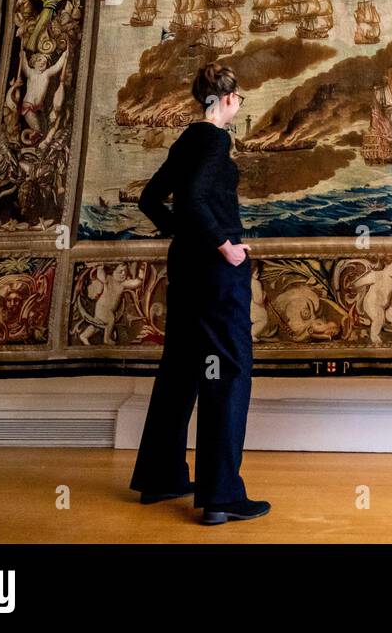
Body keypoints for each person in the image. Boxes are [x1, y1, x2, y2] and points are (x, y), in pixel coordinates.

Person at [129, 63, 270, 526]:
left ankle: (162, 476)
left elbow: (150, 199)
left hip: (187, 268)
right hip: (215, 272)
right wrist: (223, 245)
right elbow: (190, 197)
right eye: (239, 99)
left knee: (181, 369)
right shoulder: (214, 139)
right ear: (227, 99)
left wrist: (186, 237)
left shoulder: (186, 140)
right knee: (227, 372)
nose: (238, 105)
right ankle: (221, 496)